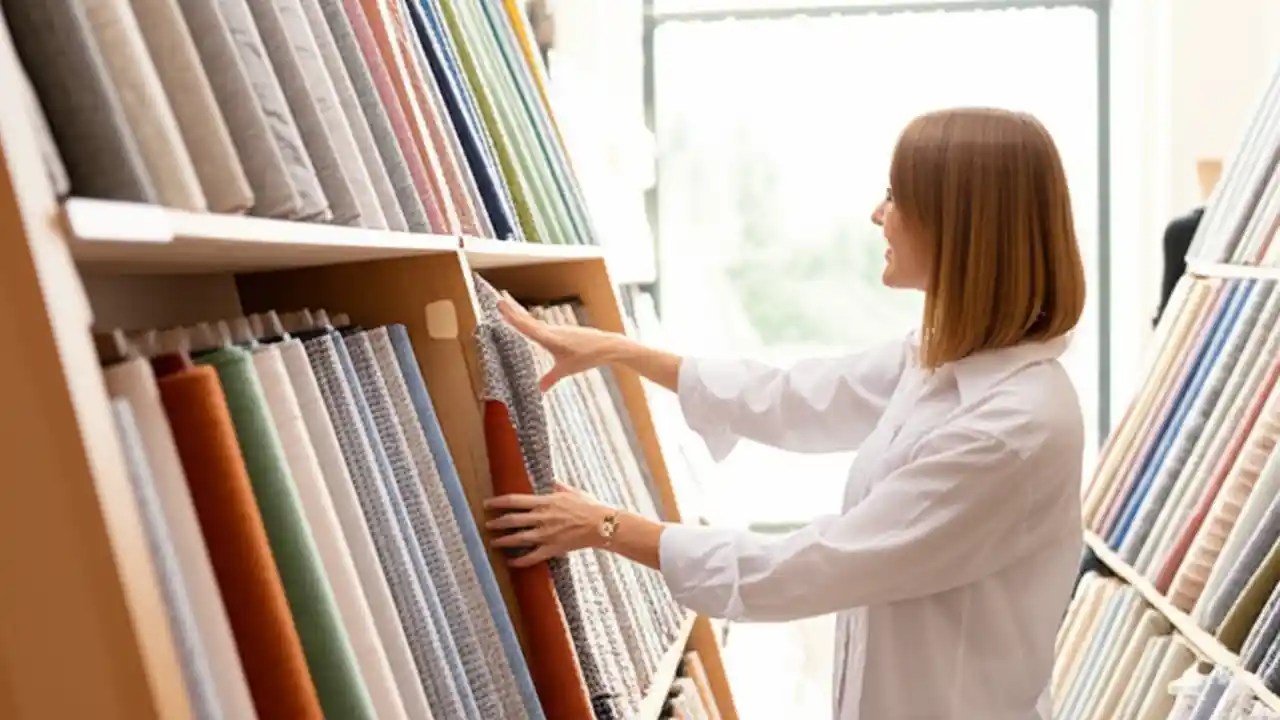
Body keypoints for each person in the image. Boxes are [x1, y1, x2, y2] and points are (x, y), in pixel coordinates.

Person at [484, 107, 1087, 720]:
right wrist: (622, 351)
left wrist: (605, 527)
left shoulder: (1015, 429)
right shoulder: (943, 359)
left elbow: (813, 565)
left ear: (959, 226)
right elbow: (794, 396)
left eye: (896, 196)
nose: (879, 215)